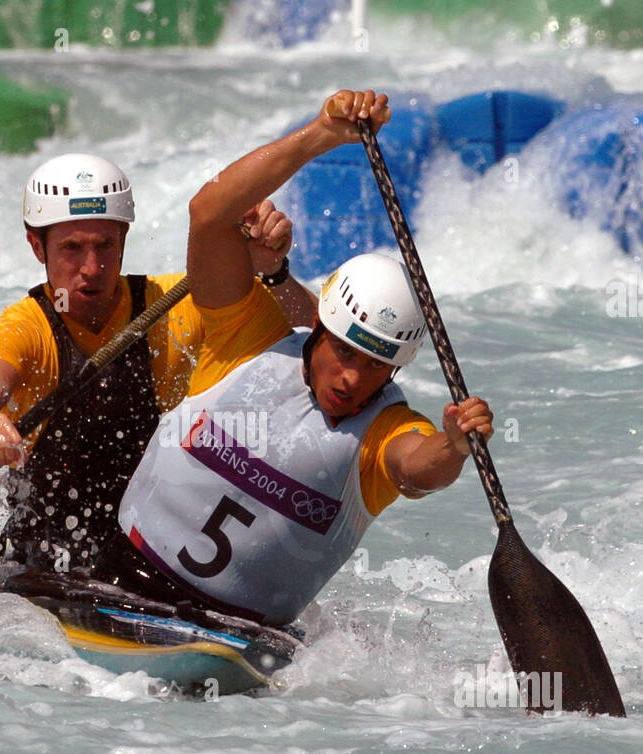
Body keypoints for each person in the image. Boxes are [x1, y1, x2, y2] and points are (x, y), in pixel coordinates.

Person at [90, 89, 495, 626]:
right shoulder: (249, 336)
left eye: (376, 365)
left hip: (236, 635)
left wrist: (454, 446)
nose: (352, 377)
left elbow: (418, 469)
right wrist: (320, 136)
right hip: (116, 578)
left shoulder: (384, 430)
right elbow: (210, 214)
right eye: (345, 352)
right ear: (319, 325)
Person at [0, 153, 315, 571]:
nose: (92, 268)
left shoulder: (174, 304)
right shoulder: (24, 330)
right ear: (36, 246)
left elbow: (318, 341)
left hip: (160, 559)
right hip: (42, 567)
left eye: (106, 245)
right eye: (71, 248)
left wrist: (273, 273)